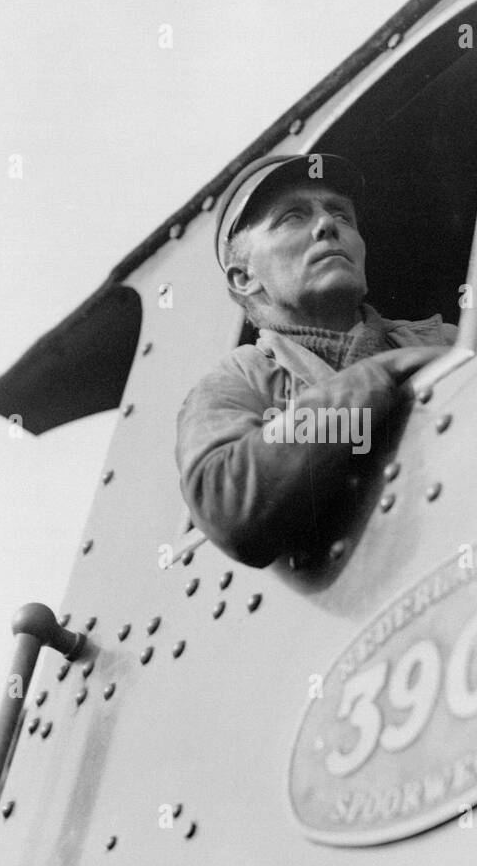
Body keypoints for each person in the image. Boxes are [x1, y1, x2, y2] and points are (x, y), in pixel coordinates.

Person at [175, 153, 458, 567]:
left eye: (341, 215)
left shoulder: (444, 337)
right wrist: (376, 375)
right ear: (245, 277)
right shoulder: (235, 382)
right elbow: (226, 502)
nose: (328, 225)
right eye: (292, 217)